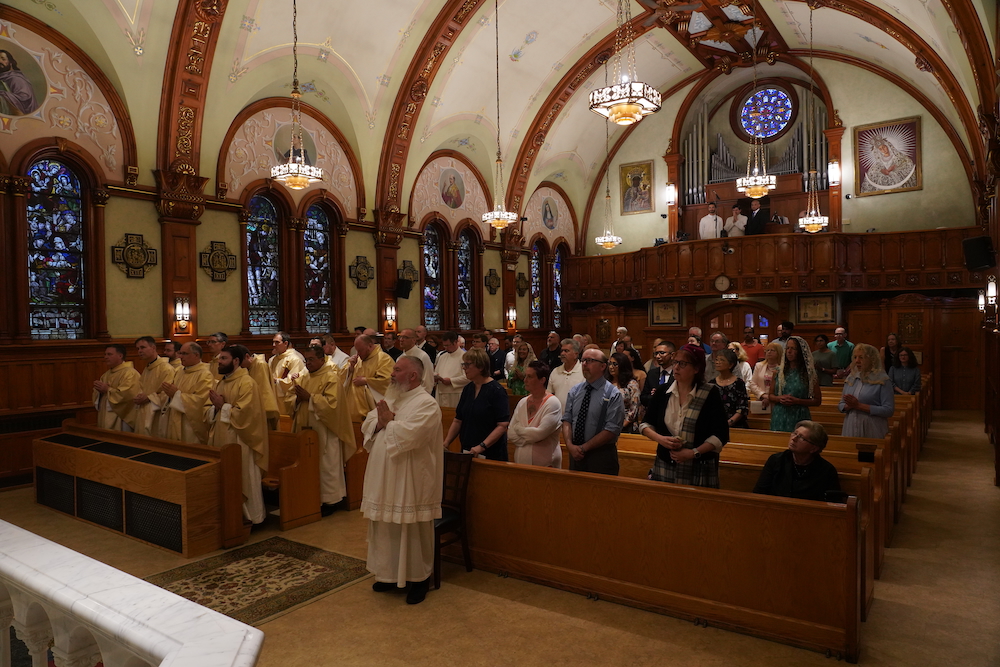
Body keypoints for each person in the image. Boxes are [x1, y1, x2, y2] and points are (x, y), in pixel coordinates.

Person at [361, 355, 443, 605]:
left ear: (413, 376)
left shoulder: (427, 404)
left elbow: (413, 435)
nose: (391, 375)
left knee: (411, 527)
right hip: (384, 475)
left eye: (397, 370)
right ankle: (387, 574)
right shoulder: (392, 397)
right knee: (385, 525)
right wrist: (382, 422)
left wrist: (390, 422)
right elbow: (370, 422)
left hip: (411, 477)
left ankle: (418, 579)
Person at [639, 344, 729, 487]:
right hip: (666, 465)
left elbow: (720, 435)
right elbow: (645, 424)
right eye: (675, 362)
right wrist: (661, 439)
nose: (676, 367)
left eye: (682, 364)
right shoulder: (663, 391)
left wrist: (693, 453)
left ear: (696, 368)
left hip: (699, 467)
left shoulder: (710, 393)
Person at [290, 345, 357, 516]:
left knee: (326, 465)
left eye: (311, 359)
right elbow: (295, 401)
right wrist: (297, 400)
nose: (308, 363)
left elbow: (333, 406)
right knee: (310, 465)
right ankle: (312, 498)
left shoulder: (331, 378)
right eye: (306, 359)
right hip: (307, 430)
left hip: (326, 430)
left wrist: (310, 398)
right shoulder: (305, 376)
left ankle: (331, 500)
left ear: (322, 359)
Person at [206, 345, 269, 525]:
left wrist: (222, 406)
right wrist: (215, 407)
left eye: (224, 358)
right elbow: (215, 409)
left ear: (235, 361)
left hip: (242, 439)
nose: (219, 361)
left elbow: (247, 414)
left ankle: (253, 518)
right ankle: (232, 515)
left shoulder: (247, 383)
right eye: (219, 358)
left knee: (245, 478)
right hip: (223, 437)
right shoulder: (222, 382)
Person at [560, 348, 624, 475]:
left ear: (602, 366)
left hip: (601, 456)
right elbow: (567, 419)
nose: (584, 364)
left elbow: (612, 429)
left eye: (589, 361)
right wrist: (570, 446)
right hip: (575, 453)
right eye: (583, 360)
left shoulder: (613, 393)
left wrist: (584, 448)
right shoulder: (575, 391)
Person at [443, 348, 510, 461]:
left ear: (480, 367)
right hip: (468, 449)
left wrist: (481, 446)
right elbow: (458, 420)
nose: (464, 368)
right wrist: (446, 443)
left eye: (467, 364)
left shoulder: (497, 391)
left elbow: (502, 425)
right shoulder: (468, 389)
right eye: (464, 364)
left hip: (491, 452)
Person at [753, 421, 841, 501]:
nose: (794, 438)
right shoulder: (776, 460)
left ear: (814, 448)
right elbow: (759, 493)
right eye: (795, 433)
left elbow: (833, 503)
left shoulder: (826, 470)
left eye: (801, 438)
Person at [508, 361, 562, 468]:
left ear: (542, 380)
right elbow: (510, 434)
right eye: (525, 376)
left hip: (546, 467)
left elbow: (539, 434)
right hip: (521, 465)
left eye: (530, 377)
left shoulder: (552, 403)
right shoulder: (522, 402)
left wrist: (519, 429)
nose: (525, 380)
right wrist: (530, 437)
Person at [839, 343, 895, 439]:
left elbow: (888, 410)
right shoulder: (851, 378)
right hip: (851, 424)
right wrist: (847, 406)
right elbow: (841, 404)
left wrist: (859, 406)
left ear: (871, 359)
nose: (857, 361)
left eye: (861, 357)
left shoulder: (882, 380)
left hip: (872, 426)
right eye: (855, 357)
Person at [161, 342, 213, 443]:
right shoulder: (179, 371)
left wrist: (176, 395)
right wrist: (169, 394)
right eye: (180, 353)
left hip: (189, 425)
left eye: (184, 354)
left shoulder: (205, 375)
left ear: (196, 355)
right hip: (174, 418)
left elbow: (201, 402)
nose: (180, 356)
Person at [768, 335, 821, 431]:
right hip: (780, 414)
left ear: (800, 352)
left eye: (793, 349)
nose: (789, 351)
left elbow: (817, 401)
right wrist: (779, 398)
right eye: (787, 348)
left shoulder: (809, 374)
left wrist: (798, 401)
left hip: (799, 414)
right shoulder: (778, 372)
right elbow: (770, 395)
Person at [345, 334, 395, 421]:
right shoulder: (358, 359)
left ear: (370, 345)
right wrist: (351, 368)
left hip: (370, 410)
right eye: (357, 351)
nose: (358, 354)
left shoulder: (383, 359)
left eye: (360, 350)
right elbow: (343, 379)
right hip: (351, 410)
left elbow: (387, 380)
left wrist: (366, 380)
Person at [132, 336, 175, 437]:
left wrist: (148, 397)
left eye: (143, 347)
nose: (140, 351)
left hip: (157, 414)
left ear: (153, 348)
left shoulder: (166, 369)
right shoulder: (147, 369)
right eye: (138, 349)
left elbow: (168, 394)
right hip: (144, 411)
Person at [92, 344, 141, 432]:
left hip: (121, 418)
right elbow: (99, 397)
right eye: (105, 354)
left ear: (120, 356)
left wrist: (107, 389)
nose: (106, 357)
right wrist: (98, 391)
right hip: (105, 414)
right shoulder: (106, 375)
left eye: (109, 354)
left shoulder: (130, 373)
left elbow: (128, 395)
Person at [270, 332, 306, 416]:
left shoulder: (294, 359)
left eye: (277, 342)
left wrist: (276, 381)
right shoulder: (273, 359)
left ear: (285, 343)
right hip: (274, 396)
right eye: (273, 342)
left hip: (285, 399)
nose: (274, 345)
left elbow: (294, 382)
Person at [713, 348, 749, 429]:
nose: (717, 362)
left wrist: (729, 422)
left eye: (721, 360)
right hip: (716, 425)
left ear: (731, 365)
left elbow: (742, 408)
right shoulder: (712, 384)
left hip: (736, 425)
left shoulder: (739, 383)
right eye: (716, 359)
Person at [433, 330, 470, 408]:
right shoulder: (442, 356)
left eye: (448, 345)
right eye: (444, 346)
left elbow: (468, 377)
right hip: (440, 392)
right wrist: (436, 378)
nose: (445, 348)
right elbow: (436, 372)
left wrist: (451, 381)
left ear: (455, 342)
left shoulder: (465, 356)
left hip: (456, 394)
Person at [608, 352, 641, 433]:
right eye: (610, 364)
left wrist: (622, 425)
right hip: (607, 424)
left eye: (615, 364)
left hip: (625, 426)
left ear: (622, 365)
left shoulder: (631, 384)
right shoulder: (606, 383)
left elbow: (634, 408)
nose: (611, 367)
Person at [0, 50, 39, 116]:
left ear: (10, 62)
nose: (0, 61)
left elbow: (24, 97)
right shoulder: (3, 77)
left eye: (3, 59)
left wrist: (2, 94)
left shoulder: (16, 78)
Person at [548, 338, 584, 409]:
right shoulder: (555, 371)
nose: (562, 353)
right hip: (557, 416)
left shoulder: (584, 371)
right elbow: (549, 394)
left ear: (576, 354)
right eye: (562, 351)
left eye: (566, 351)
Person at [397, 328, 434, 394]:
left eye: (405, 337)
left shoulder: (422, 356)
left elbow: (428, 381)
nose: (401, 340)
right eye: (400, 337)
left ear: (414, 340)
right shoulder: (400, 358)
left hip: (419, 396)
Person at [641, 341, 676, 407]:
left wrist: (660, 395)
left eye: (662, 353)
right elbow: (643, 398)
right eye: (656, 353)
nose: (657, 356)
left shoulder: (677, 374)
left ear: (672, 355)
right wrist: (654, 396)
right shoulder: (652, 373)